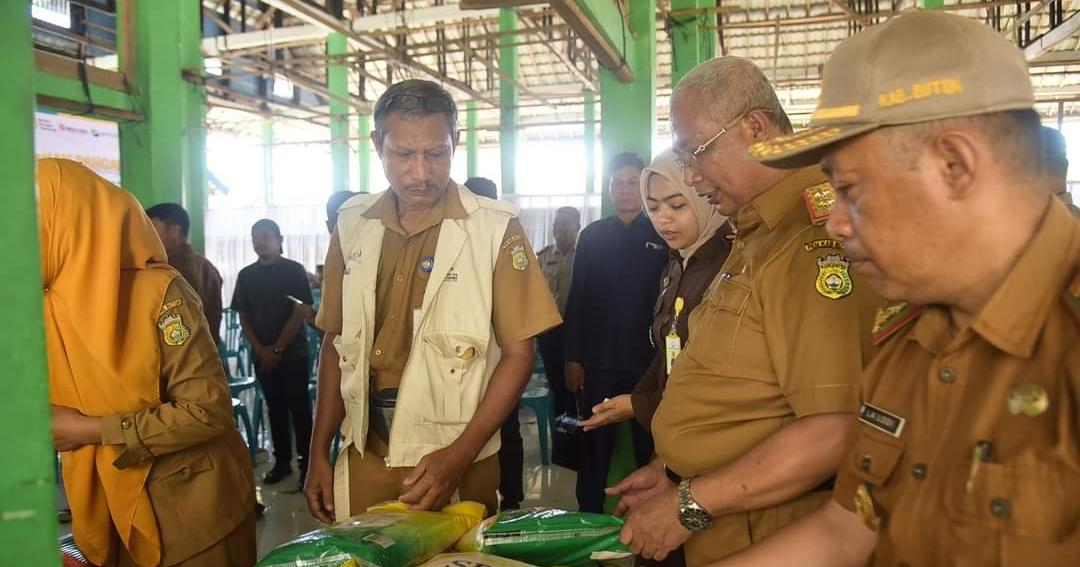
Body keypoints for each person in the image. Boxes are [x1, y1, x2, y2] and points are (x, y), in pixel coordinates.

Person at [709, 12, 1080, 567]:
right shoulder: (909, 338)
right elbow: (848, 529)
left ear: (954, 164)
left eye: (850, 189)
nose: (835, 222)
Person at [610, 56, 881, 566]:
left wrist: (687, 505)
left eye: (698, 153)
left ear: (754, 127)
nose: (692, 174)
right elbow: (739, 385)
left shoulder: (809, 241)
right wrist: (670, 469)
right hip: (727, 519)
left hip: (772, 530)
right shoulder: (756, 233)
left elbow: (832, 429)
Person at [305, 79, 561, 522]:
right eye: (403, 155)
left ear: (456, 143)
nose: (420, 173)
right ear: (377, 145)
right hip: (366, 448)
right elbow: (335, 343)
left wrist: (460, 455)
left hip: (458, 452)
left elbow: (520, 355)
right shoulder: (351, 225)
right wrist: (318, 452)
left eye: (437, 153)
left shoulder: (495, 230)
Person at [41, 159, 256, 567]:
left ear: (70, 222)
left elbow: (207, 411)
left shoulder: (159, 292)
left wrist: (90, 430)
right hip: (103, 506)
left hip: (189, 512)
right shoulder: (47, 304)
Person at [582, 149, 731, 434]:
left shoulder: (729, 264)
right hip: (663, 409)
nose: (663, 220)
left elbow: (715, 376)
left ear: (704, 197)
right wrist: (641, 398)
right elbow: (668, 346)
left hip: (706, 429)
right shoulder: (677, 263)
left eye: (677, 205)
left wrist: (638, 405)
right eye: (654, 207)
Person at [563, 152, 670, 513]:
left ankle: (648, 514)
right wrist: (572, 357)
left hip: (648, 365)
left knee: (649, 445)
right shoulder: (593, 236)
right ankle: (588, 514)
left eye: (631, 182)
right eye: (617, 183)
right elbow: (576, 298)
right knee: (595, 445)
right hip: (600, 362)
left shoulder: (661, 234)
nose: (625, 190)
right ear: (609, 188)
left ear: (642, 188)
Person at [231, 219, 315, 487]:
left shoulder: (293, 271)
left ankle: (307, 465)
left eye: (266, 236)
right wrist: (261, 350)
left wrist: (276, 349)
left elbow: (300, 312)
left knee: (299, 410)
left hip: (293, 354)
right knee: (274, 408)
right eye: (255, 236)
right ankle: (281, 463)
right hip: (263, 356)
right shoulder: (246, 276)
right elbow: (244, 316)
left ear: (280, 239)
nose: (260, 241)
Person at [463, 176, 526, 510]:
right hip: (467, 362)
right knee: (485, 428)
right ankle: (501, 498)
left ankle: (511, 496)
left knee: (504, 426)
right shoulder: (453, 242)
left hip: (502, 359)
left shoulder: (508, 242)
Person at [146, 203, 224, 344]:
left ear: (175, 231)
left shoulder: (169, 270)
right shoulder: (207, 266)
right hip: (207, 354)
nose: (145, 235)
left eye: (152, 228)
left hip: (179, 358)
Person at [536, 207, 581, 423]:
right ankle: (563, 435)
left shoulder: (585, 256)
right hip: (550, 332)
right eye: (556, 224)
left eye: (565, 224)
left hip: (578, 332)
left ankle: (581, 433)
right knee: (557, 385)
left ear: (577, 227)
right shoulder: (542, 258)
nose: (559, 229)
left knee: (578, 386)